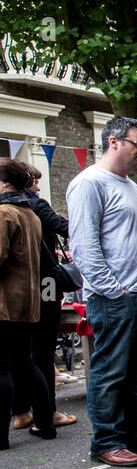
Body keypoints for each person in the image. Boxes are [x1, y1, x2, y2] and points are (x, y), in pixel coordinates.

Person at [66, 117, 137, 467]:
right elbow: (83, 246)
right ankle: (106, 441)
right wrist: (114, 290)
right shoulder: (89, 183)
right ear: (114, 142)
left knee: (133, 369)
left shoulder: (129, 185)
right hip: (117, 296)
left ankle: (134, 432)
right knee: (111, 370)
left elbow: (132, 235)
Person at [9, 161, 76, 432]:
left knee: (19, 352)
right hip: (45, 282)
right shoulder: (36, 206)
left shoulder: (8, 210)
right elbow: (65, 227)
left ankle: (22, 410)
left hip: (18, 288)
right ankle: (49, 410)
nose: (37, 185)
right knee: (43, 347)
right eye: (34, 180)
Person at [0, 158, 56, 448]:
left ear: (5, 183)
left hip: (5, 303)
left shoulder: (5, 213)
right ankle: (45, 421)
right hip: (27, 302)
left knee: (3, 367)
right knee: (23, 361)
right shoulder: (30, 213)